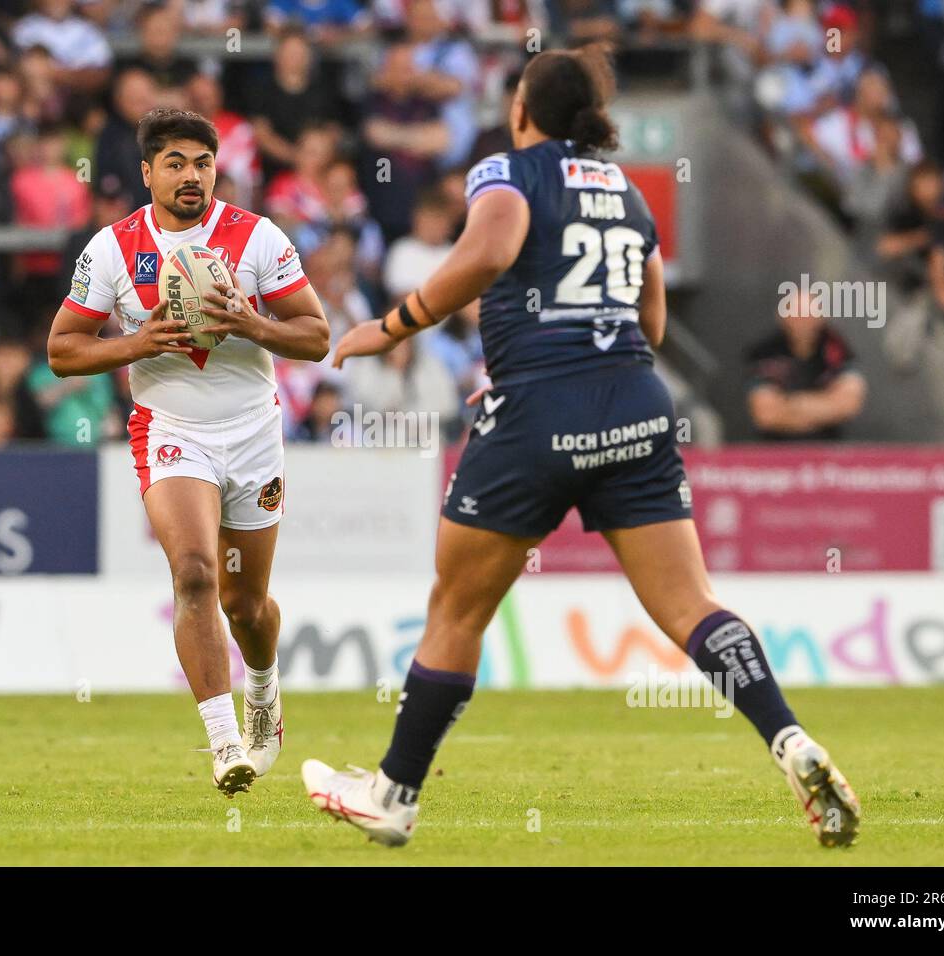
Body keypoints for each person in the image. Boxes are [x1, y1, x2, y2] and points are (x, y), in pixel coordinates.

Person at [304, 48, 861, 848]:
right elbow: (655, 324)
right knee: (691, 606)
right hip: (636, 403)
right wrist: (547, 354)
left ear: (525, 110)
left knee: (457, 608)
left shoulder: (506, 170)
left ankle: (394, 795)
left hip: (538, 413)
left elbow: (491, 252)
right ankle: (791, 740)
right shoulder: (627, 190)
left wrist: (393, 325)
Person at [46, 108, 329, 795]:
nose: (192, 176)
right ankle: (224, 742)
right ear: (147, 173)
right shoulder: (112, 250)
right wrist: (137, 343)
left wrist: (252, 323)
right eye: (175, 163)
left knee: (247, 603)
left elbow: (317, 336)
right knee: (196, 574)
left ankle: (263, 692)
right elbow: (61, 350)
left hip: (252, 433)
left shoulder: (256, 238)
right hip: (171, 431)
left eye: (203, 163)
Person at [745, 290, 866, 440]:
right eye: (797, 314)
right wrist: (825, 405)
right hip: (775, 451)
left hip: (829, 449)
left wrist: (791, 405)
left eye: (809, 314)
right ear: (782, 317)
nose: (803, 321)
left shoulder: (837, 348)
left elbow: (848, 405)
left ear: (821, 317)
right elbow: (766, 414)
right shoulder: (765, 352)